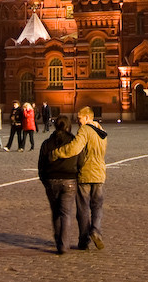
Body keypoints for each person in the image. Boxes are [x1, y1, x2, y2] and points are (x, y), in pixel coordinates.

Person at [51, 106, 108, 251]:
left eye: (80, 118)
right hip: (100, 173)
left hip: (86, 173)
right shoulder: (102, 131)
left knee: (83, 208)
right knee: (97, 206)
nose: (78, 121)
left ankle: (84, 240)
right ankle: (96, 230)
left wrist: (58, 153)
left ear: (87, 118)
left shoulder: (85, 130)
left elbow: (74, 148)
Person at [38, 116, 82, 255]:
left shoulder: (47, 143)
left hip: (51, 180)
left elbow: (41, 165)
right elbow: (80, 161)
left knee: (56, 212)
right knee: (66, 213)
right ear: (68, 126)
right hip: (69, 180)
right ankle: (63, 244)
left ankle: (58, 240)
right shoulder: (74, 142)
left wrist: (44, 180)